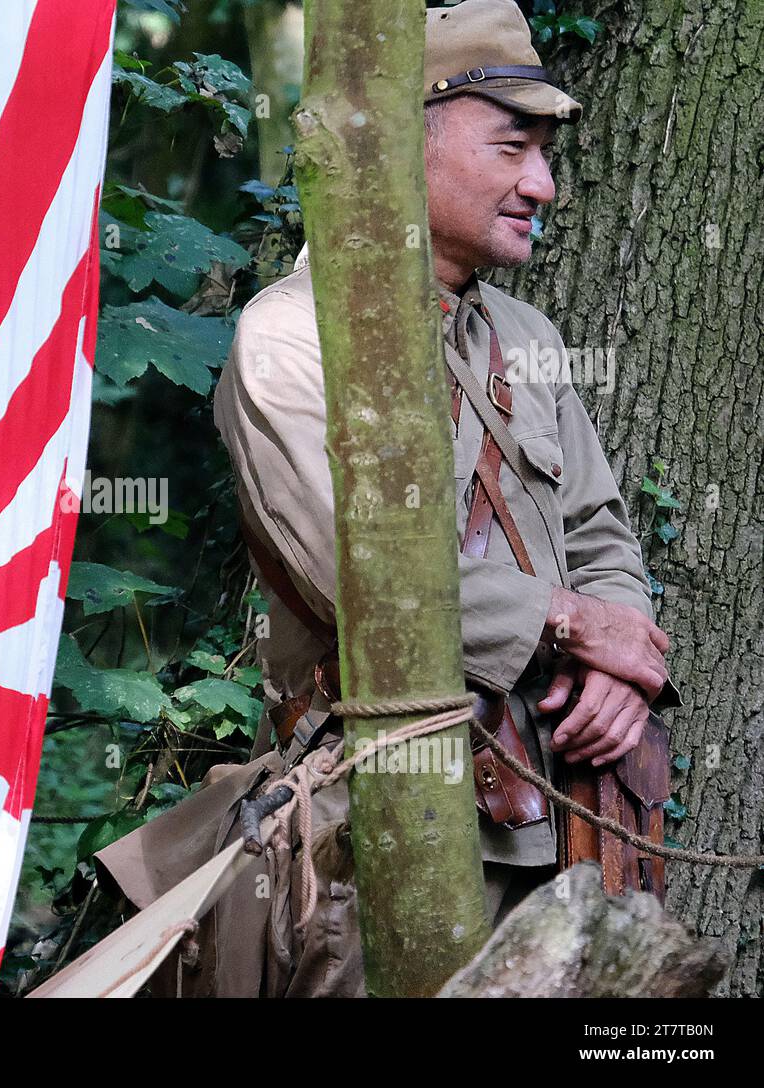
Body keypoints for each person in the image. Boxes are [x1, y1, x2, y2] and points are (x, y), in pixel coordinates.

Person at [94, 0, 680, 997]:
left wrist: (622, 662)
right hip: (382, 839)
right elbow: (357, 584)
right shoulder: (288, 340)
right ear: (408, 142)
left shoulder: (528, 339)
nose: (541, 184)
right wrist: (575, 622)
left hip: (574, 840)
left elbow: (601, 534)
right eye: (510, 149)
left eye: (544, 154)